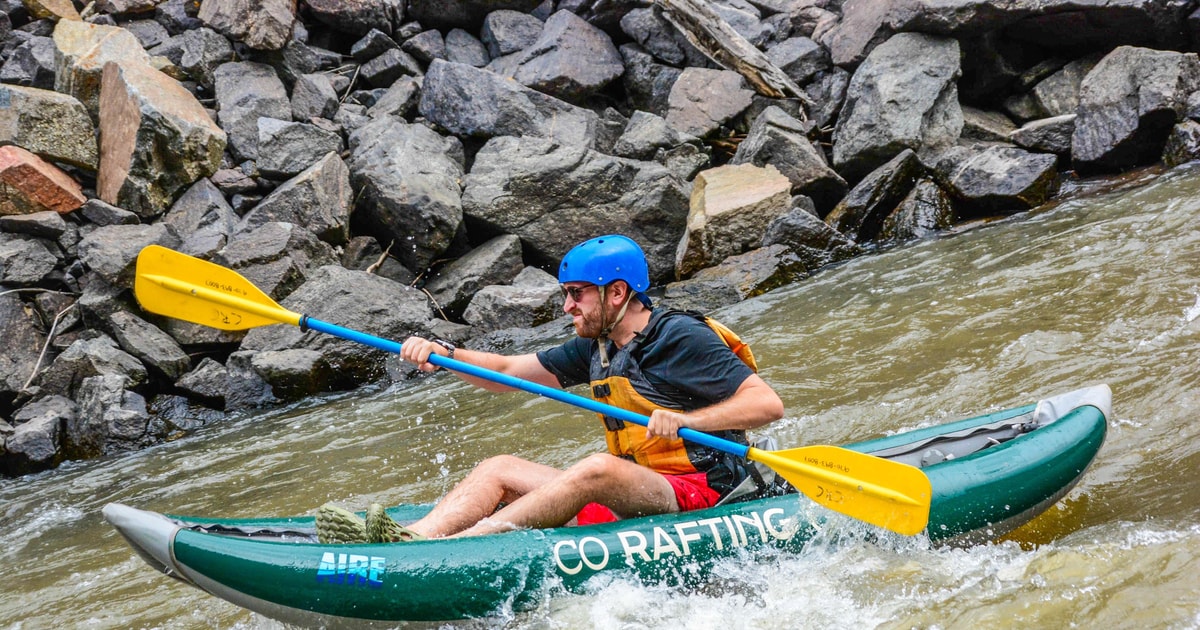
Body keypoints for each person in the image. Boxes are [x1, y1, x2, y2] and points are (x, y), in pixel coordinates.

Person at [315, 234, 784, 543]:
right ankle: (415, 538)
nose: (566, 307)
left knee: (597, 467)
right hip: (642, 488)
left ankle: (460, 549)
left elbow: (766, 403)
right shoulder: (597, 347)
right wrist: (441, 353)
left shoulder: (679, 337)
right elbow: (506, 372)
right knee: (499, 468)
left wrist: (686, 421)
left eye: (576, 293)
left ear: (616, 293)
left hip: (706, 493)